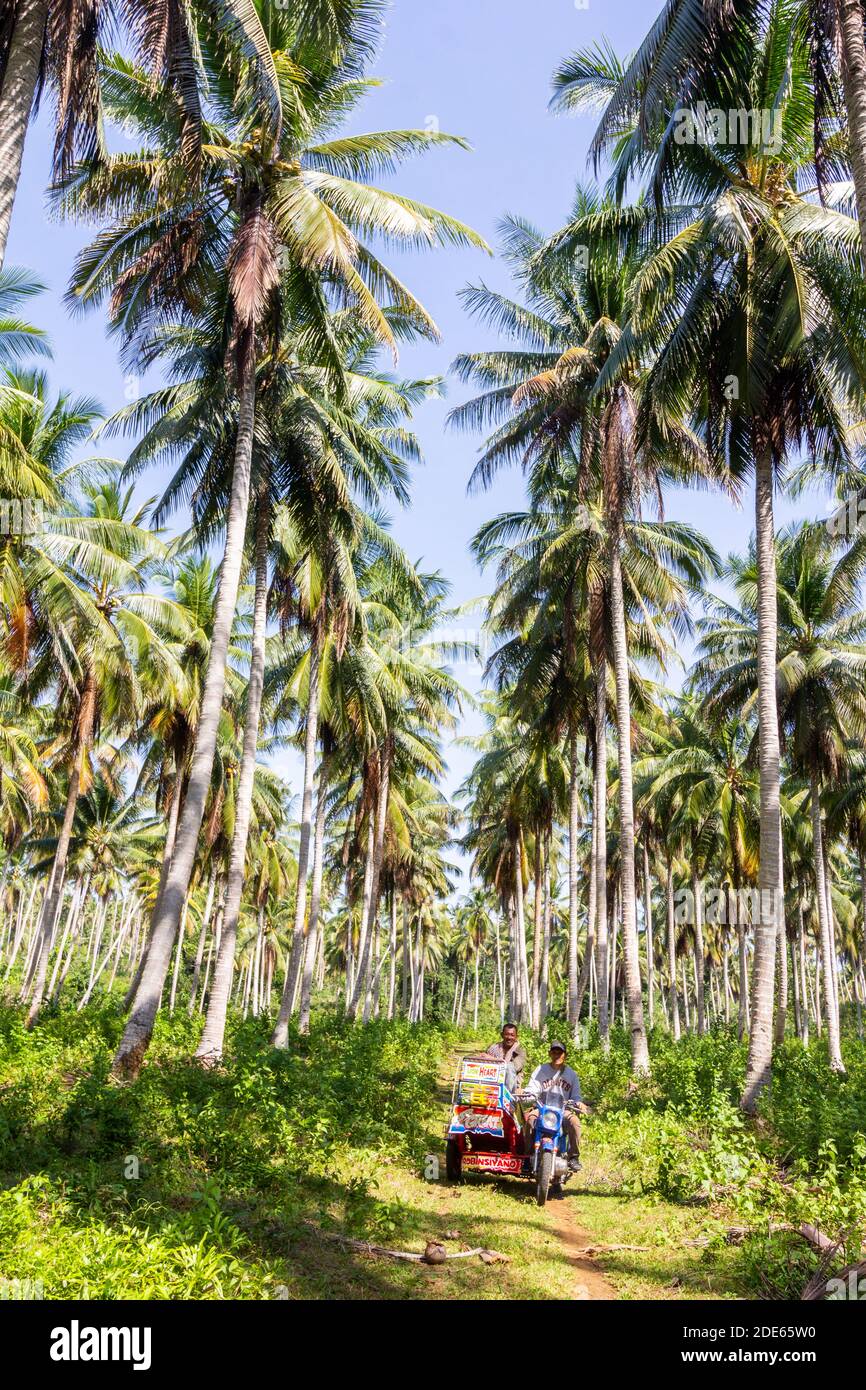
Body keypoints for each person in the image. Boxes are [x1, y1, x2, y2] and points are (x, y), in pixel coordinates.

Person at [521, 1041, 589, 1171]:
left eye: (560, 1052)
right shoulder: (540, 1070)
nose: (557, 1055)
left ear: (565, 1055)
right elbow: (532, 1088)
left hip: (562, 1110)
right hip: (542, 1108)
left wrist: (578, 1103)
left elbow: (576, 1097)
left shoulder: (571, 1074)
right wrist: (527, 1094)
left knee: (575, 1122)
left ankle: (573, 1157)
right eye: (554, 1052)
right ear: (549, 1053)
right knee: (530, 1120)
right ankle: (527, 1156)